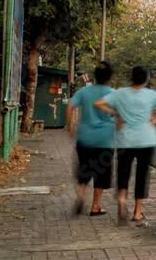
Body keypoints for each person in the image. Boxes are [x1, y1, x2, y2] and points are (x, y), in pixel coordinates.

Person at [95, 65, 156, 226]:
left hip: (125, 140)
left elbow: (98, 103)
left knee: (123, 172)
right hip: (146, 140)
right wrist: (154, 113)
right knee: (142, 175)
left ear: (131, 77)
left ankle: (122, 200)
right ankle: (137, 212)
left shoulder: (120, 93)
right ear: (146, 79)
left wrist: (116, 114)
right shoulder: (151, 94)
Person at [66, 61, 116, 216]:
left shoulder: (84, 91)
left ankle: (81, 194)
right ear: (110, 77)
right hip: (105, 140)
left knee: (85, 169)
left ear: (95, 76)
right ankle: (95, 207)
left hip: (85, 138)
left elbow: (70, 106)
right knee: (101, 174)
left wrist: (70, 127)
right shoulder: (113, 93)